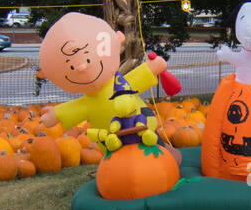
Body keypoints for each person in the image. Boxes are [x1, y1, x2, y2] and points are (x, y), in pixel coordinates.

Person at [37, 12, 167, 153]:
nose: (82, 68)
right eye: (72, 67)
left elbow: (138, 77)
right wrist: (55, 115)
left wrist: (151, 68)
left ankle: (167, 156)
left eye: (87, 60)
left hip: (142, 130)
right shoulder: (88, 102)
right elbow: (72, 109)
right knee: (120, 165)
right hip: (112, 142)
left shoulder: (121, 84)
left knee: (157, 151)